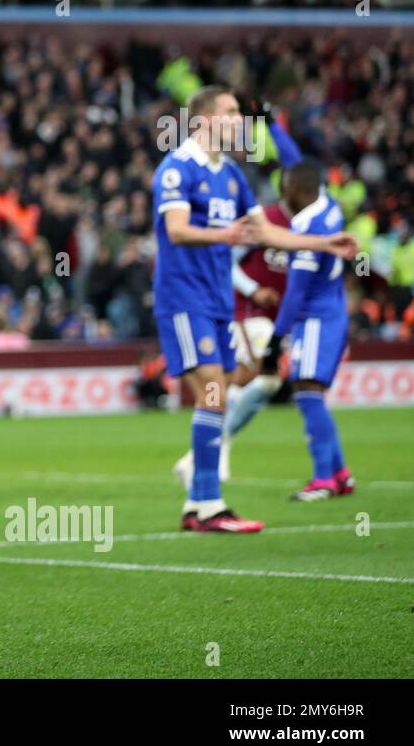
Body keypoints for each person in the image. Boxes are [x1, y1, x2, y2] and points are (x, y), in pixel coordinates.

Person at [152, 86, 355, 533]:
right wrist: (224, 235)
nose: (238, 122)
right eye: (229, 114)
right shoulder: (177, 168)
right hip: (184, 298)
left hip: (218, 303)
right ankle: (209, 505)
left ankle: (198, 505)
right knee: (213, 392)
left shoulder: (231, 176)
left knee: (219, 395)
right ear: (204, 120)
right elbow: (177, 229)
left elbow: (265, 233)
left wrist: (323, 242)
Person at [172, 108, 302, 488]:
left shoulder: (301, 226)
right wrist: (252, 289)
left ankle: (205, 453)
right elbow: (226, 260)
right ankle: (207, 463)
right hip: (246, 314)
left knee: (254, 383)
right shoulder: (267, 219)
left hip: (276, 320)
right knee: (253, 380)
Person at [263, 163, 357, 501]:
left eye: (285, 186)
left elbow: (296, 292)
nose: (281, 193)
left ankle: (323, 480)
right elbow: (296, 161)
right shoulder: (329, 206)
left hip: (315, 319)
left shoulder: (306, 228)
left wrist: (275, 339)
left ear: (296, 190)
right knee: (310, 392)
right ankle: (340, 473)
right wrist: (271, 124)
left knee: (307, 391)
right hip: (333, 309)